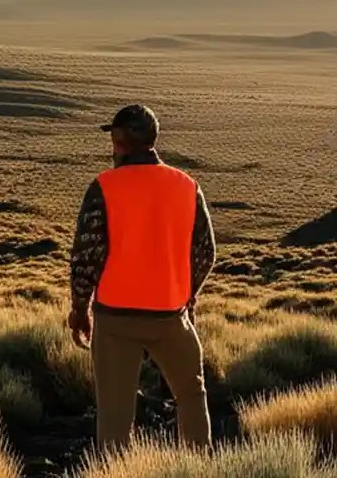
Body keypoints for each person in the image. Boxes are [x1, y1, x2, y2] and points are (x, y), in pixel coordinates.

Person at [67, 104, 216, 451]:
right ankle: (197, 468)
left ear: (119, 142)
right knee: (192, 397)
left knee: (114, 413)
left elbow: (86, 257)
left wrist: (79, 309)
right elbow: (205, 252)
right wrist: (186, 294)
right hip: (170, 317)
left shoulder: (104, 187)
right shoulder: (186, 186)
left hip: (116, 319)